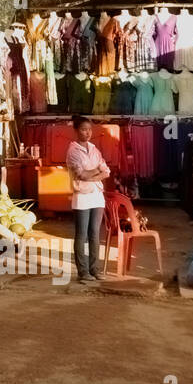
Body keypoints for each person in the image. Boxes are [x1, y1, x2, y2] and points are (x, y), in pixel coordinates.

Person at [65, 115, 109, 282]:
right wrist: (95, 173)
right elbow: (80, 174)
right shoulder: (73, 151)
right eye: (83, 129)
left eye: (89, 129)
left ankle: (94, 269)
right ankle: (83, 272)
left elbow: (106, 171)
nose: (87, 133)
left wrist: (91, 175)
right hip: (82, 196)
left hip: (97, 195)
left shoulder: (94, 149)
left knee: (95, 234)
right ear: (76, 131)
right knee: (81, 234)